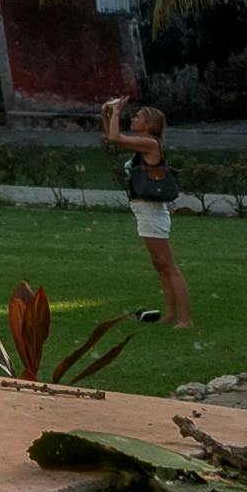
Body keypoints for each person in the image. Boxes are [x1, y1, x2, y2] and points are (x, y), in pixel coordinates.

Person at [105, 88, 193, 332]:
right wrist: (109, 113)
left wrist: (116, 113)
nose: (134, 120)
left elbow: (114, 138)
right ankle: (170, 313)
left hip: (151, 212)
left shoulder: (150, 143)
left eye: (138, 117)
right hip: (144, 212)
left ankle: (185, 319)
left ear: (149, 124)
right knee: (160, 265)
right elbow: (112, 137)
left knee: (168, 265)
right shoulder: (143, 144)